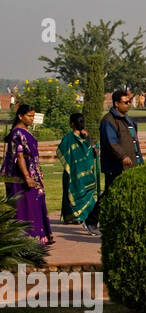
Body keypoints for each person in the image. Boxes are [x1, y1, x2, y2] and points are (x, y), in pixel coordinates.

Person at [4, 104, 53, 245]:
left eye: (33, 115)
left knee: (35, 203)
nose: (32, 118)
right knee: (25, 206)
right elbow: (19, 157)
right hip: (21, 178)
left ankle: (39, 237)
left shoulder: (26, 131)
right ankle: (26, 240)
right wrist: (27, 177)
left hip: (33, 175)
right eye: (29, 116)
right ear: (20, 116)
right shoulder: (17, 133)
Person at [57, 113, 100, 231]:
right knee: (85, 193)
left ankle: (71, 216)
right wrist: (88, 138)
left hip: (71, 171)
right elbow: (93, 151)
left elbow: (61, 150)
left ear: (71, 124)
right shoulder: (85, 138)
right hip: (85, 173)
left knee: (69, 192)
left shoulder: (68, 137)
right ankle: (79, 216)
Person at [100, 89, 143, 192]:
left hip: (132, 165)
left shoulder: (128, 120)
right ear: (116, 104)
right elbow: (111, 143)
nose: (128, 104)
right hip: (116, 167)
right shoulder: (109, 121)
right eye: (125, 102)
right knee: (115, 193)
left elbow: (134, 141)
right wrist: (123, 156)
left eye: (129, 102)